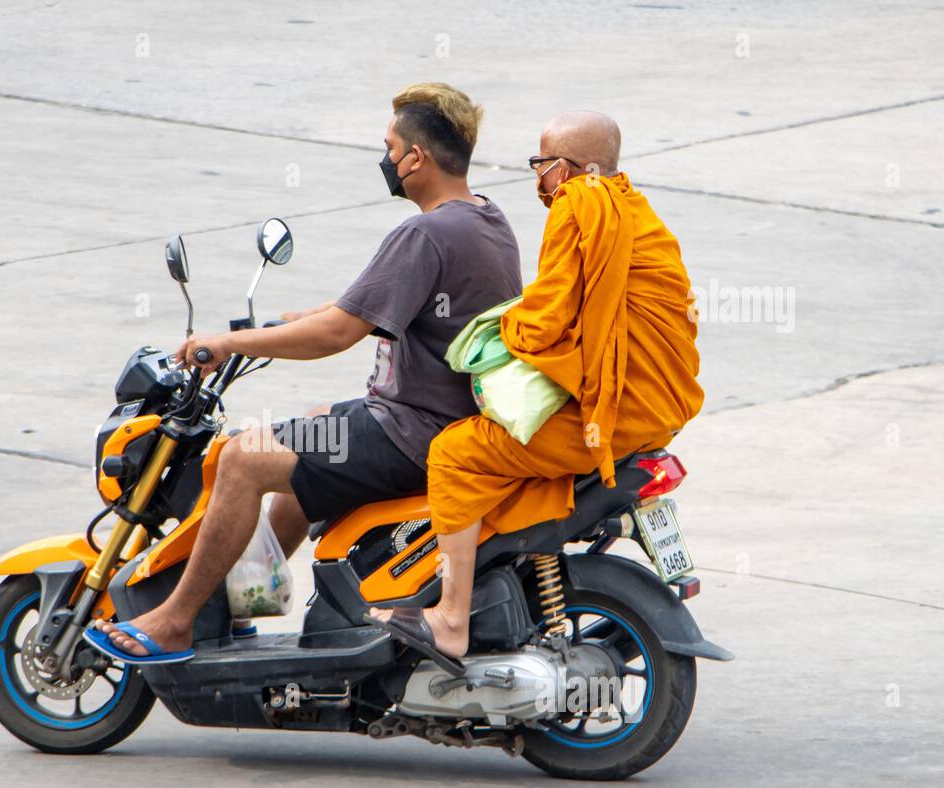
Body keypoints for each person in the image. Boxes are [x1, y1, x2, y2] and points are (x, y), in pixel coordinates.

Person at [84, 82, 522, 663]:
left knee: (242, 457)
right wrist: (307, 314)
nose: (386, 159)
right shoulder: (484, 219)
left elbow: (336, 335)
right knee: (311, 429)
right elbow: (369, 307)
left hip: (411, 432)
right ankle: (243, 607)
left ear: (416, 158)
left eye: (390, 147)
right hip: (428, 422)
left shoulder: (425, 233)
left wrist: (225, 342)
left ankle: (175, 621)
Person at [372, 110, 705, 660]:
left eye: (545, 165)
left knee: (456, 453)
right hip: (656, 408)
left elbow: (548, 320)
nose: (538, 181)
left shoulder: (583, 205)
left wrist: (497, 328)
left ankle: (451, 617)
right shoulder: (633, 208)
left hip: (613, 415)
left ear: (581, 168)